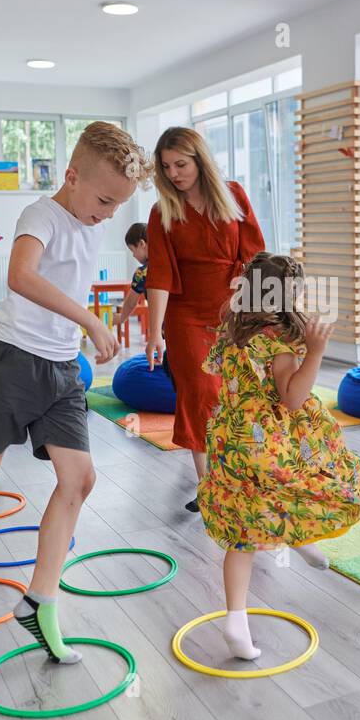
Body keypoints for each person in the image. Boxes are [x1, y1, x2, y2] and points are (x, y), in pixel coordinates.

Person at [0, 122, 149, 664]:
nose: (110, 214)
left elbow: (66, 282)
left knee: (81, 478)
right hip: (11, 362)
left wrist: (80, 336)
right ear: (71, 176)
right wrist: (92, 320)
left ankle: (40, 602)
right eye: (105, 200)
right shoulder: (41, 215)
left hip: (62, 371)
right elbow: (20, 276)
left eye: (120, 204)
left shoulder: (94, 219)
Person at [197, 252, 360, 659]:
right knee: (320, 473)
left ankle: (236, 620)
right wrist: (315, 352)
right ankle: (299, 535)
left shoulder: (231, 332)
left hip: (230, 440)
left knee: (242, 530)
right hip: (268, 442)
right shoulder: (277, 340)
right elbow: (293, 397)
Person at [144, 127, 265, 512]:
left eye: (181, 164)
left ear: (200, 159)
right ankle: (210, 485)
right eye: (167, 167)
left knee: (237, 393)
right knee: (200, 394)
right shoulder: (162, 211)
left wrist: (245, 294)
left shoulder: (234, 195)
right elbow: (159, 275)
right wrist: (153, 335)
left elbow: (256, 256)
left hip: (234, 312)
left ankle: (243, 475)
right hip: (185, 317)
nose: (174, 173)